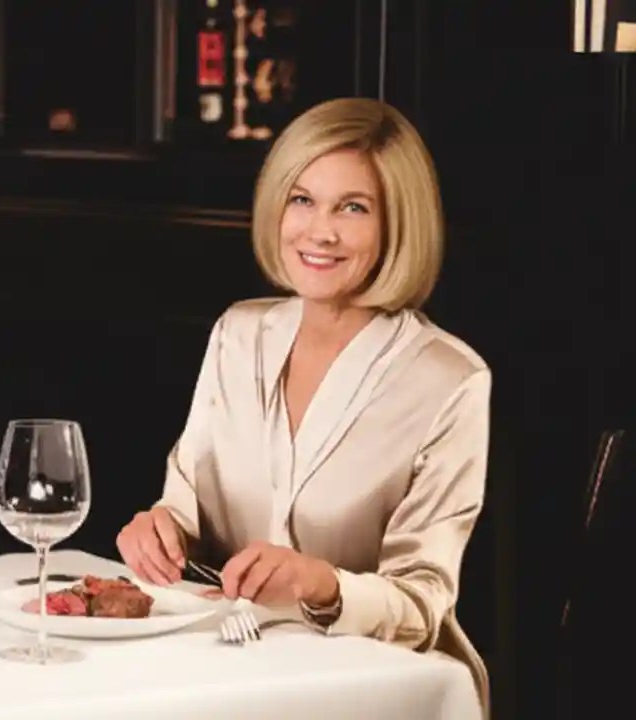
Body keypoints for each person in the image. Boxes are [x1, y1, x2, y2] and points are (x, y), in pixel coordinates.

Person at [116, 97, 491, 712]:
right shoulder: (237, 334)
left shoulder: (451, 380)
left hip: (373, 691)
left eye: (353, 207)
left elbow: (423, 604)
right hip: (225, 667)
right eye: (302, 199)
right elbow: (183, 505)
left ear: (398, 223)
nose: (320, 231)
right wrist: (157, 530)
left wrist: (323, 585)